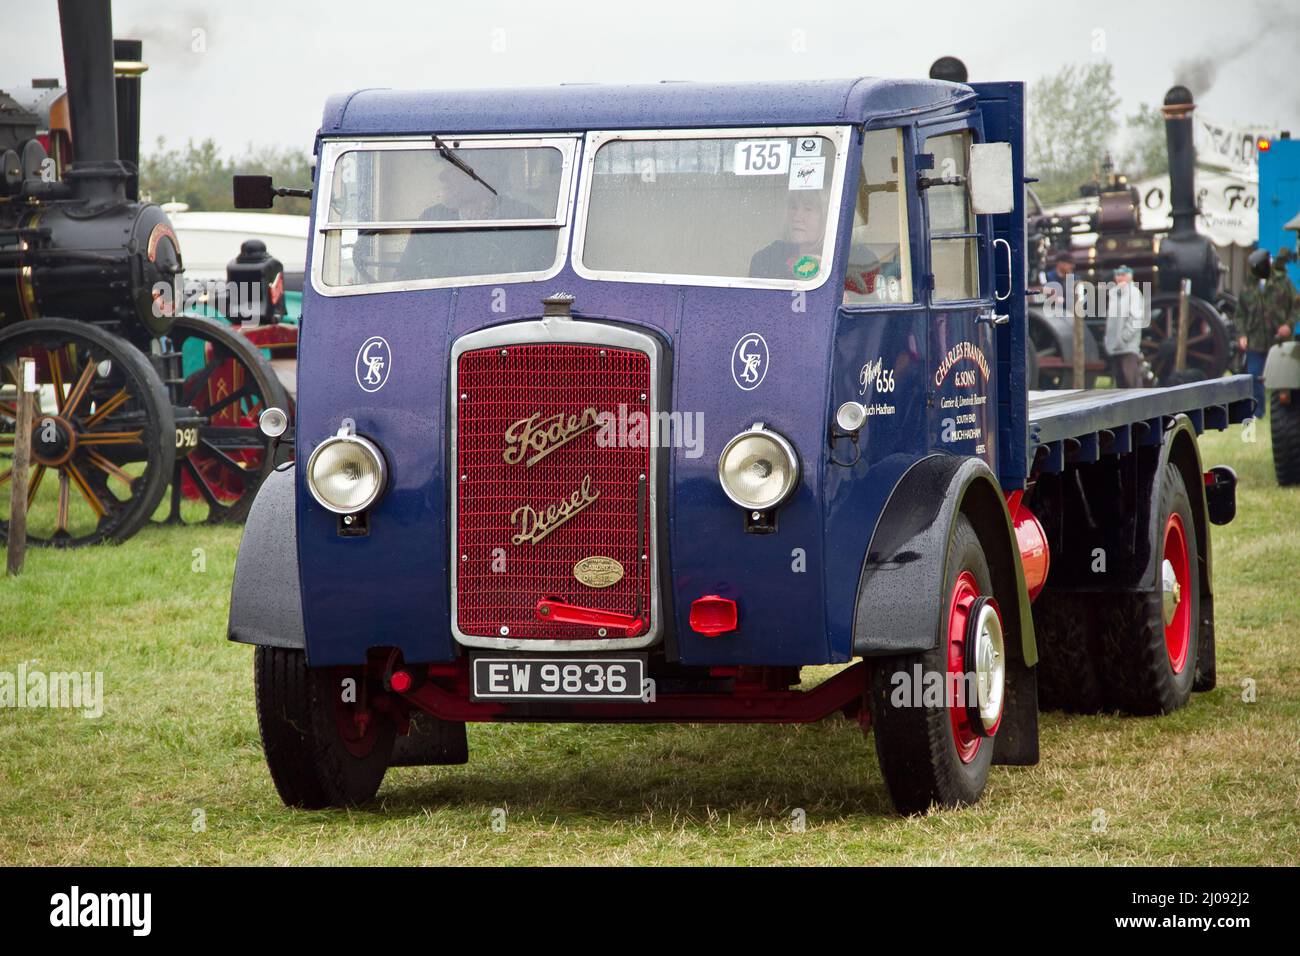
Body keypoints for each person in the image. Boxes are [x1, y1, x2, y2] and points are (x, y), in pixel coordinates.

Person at [1237, 247, 1300, 415]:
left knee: (1283, 379)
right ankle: (1258, 412)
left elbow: (1296, 306)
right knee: (1255, 376)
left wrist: (1289, 324)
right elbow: (1240, 314)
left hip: (1279, 341)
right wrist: (1242, 334)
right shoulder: (1248, 287)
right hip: (1255, 341)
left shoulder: (1283, 282)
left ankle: (1285, 411)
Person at [749, 191, 828, 281]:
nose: (796, 217)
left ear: (825, 216)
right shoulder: (766, 259)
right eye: (793, 207)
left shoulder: (834, 260)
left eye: (808, 209)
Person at [1105, 264, 1146, 388]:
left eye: (1123, 275)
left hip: (1128, 346)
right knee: (1120, 382)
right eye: (1117, 275)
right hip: (1114, 346)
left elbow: (1137, 318)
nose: (1120, 278)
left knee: (1132, 380)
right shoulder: (1113, 294)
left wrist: (1124, 337)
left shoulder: (1134, 293)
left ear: (1129, 276)